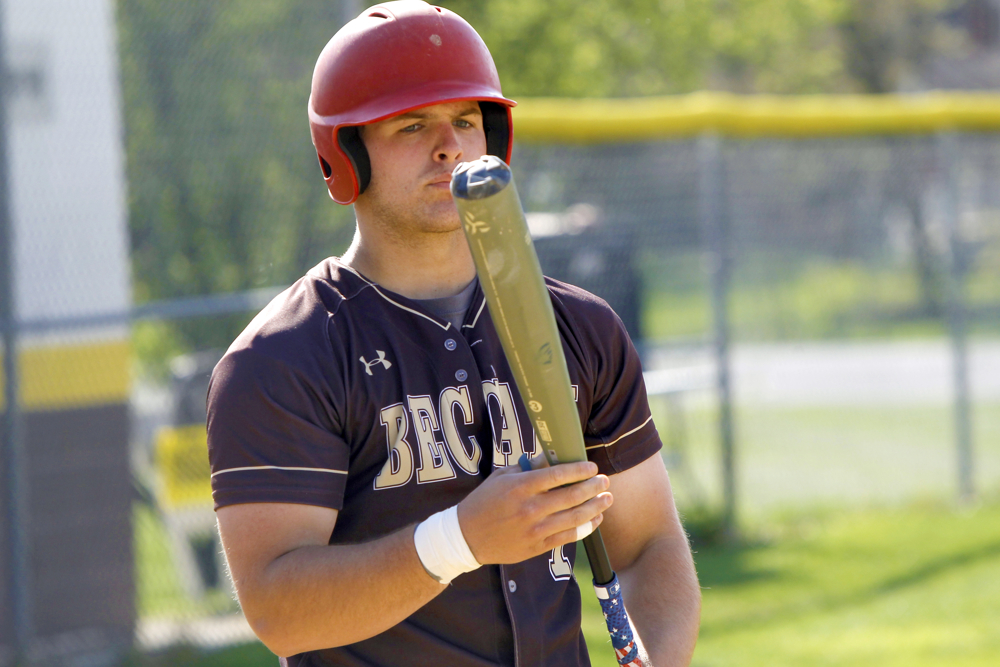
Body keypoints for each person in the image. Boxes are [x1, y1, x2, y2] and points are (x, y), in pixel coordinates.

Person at [206, 2, 701, 665]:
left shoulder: (580, 328)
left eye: (466, 120)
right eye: (412, 125)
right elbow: (278, 611)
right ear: (344, 154)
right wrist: (459, 540)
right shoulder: (285, 359)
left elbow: (647, 546)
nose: (449, 145)